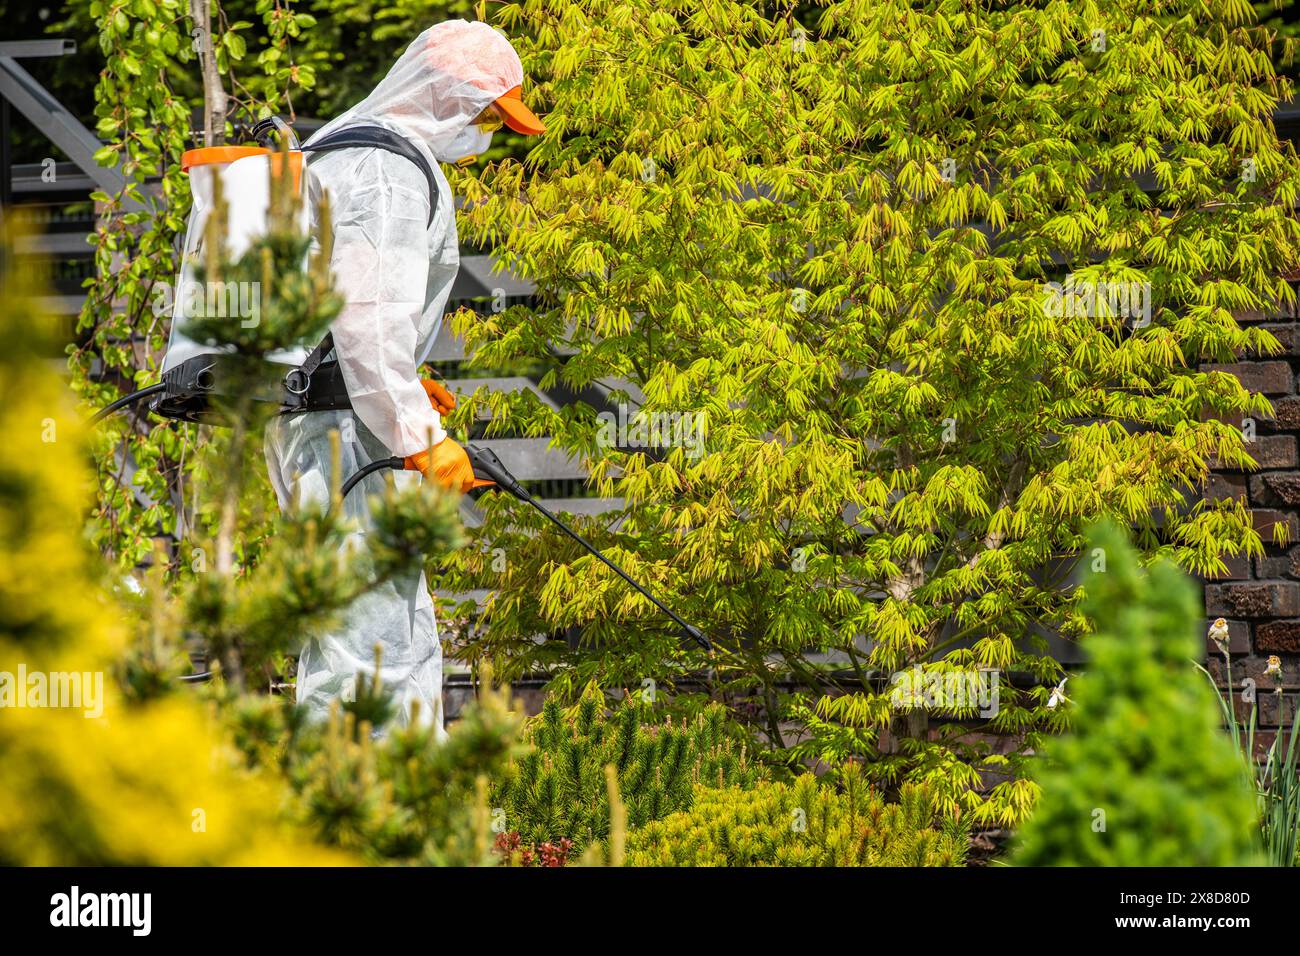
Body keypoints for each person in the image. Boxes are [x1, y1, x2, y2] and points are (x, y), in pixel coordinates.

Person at [263, 19, 545, 732]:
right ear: (448, 97)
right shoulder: (385, 173)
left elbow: (335, 311)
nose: (487, 134)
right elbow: (368, 317)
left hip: (324, 422)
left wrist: (409, 393)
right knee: (373, 647)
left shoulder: (337, 149)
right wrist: (421, 434)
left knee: (365, 630)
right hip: (343, 438)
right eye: (486, 115)